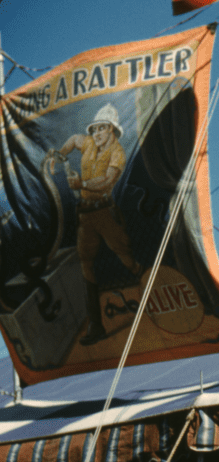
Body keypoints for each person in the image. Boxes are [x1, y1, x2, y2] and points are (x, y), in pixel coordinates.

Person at [51, 103, 143, 346]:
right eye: (95, 129)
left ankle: (149, 294)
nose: (97, 133)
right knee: (87, 267)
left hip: (105, 213)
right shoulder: (89, 143)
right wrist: (61, 153)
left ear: (112, 130)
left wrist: (82, 185)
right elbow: (73, 139)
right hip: (86, 216)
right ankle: (96, 325)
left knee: (125, 257)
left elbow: (107, 181)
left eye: (102, 128)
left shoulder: (117, 153)